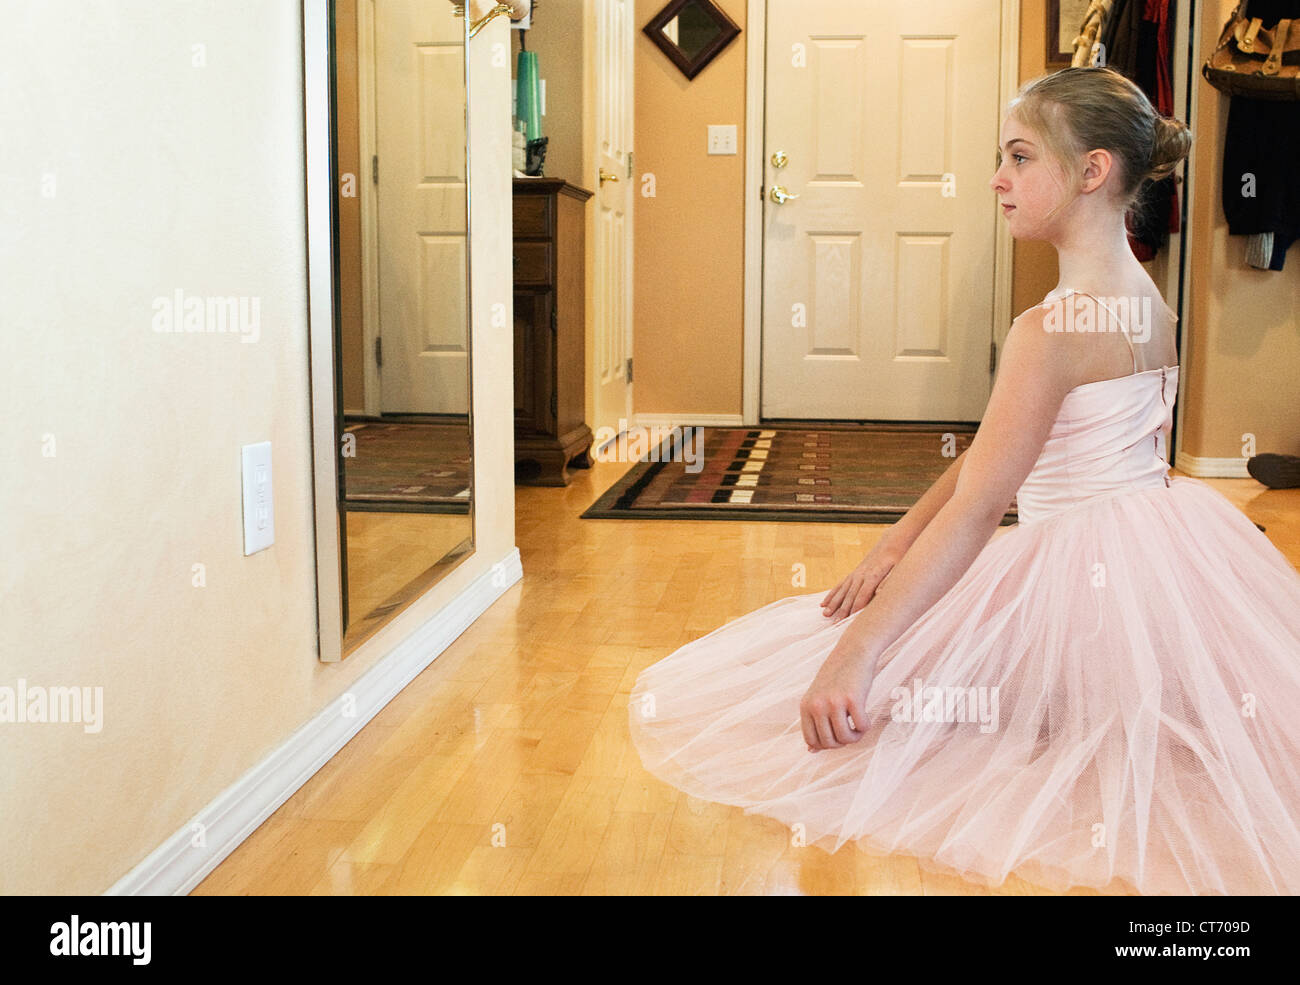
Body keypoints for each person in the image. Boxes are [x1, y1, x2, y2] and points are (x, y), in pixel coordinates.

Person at [627, 67, 1300, 896]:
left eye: (1019, 157)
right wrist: (895, 543)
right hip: (1153, 542)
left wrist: (857, 652)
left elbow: (984, 503)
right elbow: (997, 452)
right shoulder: (1147, 301)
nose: (996, 178)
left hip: (1074, 562)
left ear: (1091, 172)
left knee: (903, 709)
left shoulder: (1047, 330)